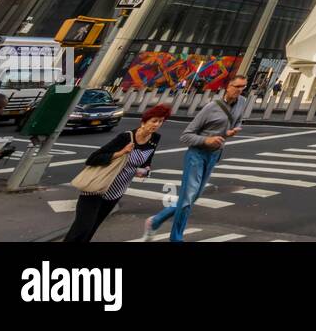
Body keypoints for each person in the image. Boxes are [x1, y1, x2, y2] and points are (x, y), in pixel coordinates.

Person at [143, 73, 248, 242]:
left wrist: (230, 132)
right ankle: (176, 238)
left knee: (191, 198)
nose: (240, 90)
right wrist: (207, 139)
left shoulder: (242, 102)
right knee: (187, 200)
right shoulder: (211, 107)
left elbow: (238, 122)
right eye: (237, 87)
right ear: (228, 86)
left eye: (243, 87)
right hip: (197, 155)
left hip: (214, 155)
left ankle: (155, 221)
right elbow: (186, 136)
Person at [64, 103, 170, 242]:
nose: (156, 124)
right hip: (98, 187)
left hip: (116, 191)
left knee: (92, 228)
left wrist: (145, 169)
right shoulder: (125, 137)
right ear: (143, 121)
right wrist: (121, 152)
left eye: (160, 121)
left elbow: (147, 160)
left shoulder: (155, 139)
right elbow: (93, 159)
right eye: (154, 121)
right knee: (83, 227)